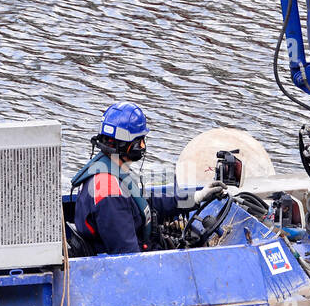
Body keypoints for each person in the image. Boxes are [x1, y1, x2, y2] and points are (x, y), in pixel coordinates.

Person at [70, 102, 223, 255]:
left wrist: (196, 197)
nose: (143, 146)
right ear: (125, 144)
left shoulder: (108, 167)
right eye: (140, 140)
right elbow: (128, 257)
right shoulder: (110, 193)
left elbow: (145, 202)